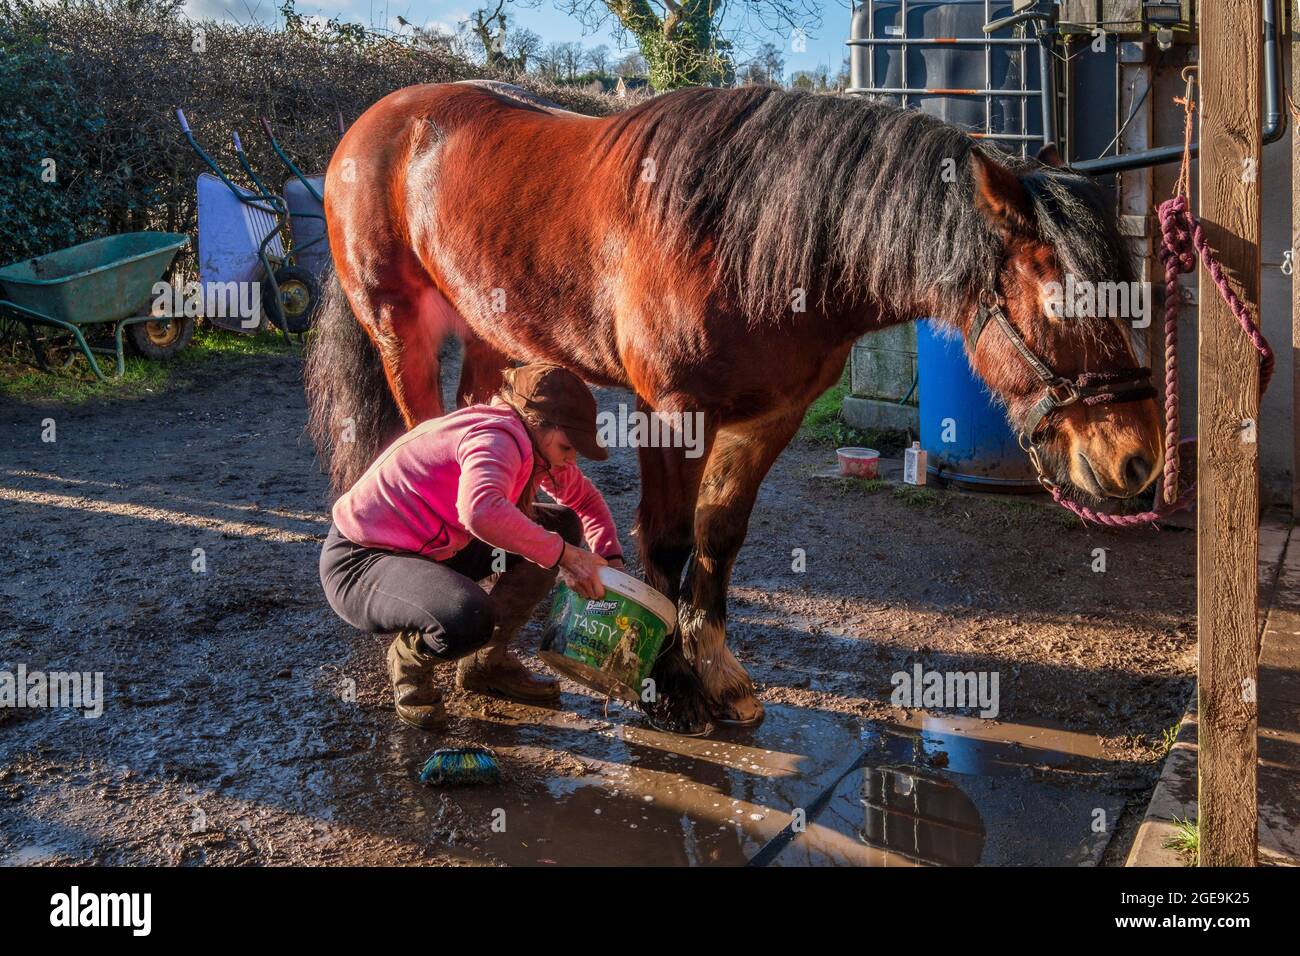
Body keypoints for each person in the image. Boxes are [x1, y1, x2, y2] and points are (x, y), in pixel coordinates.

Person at [319, 362, 622, 730]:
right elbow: (478, 512)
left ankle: (485, 665)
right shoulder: (497, 438)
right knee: (469, 617)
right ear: (536, 425)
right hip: (362, 561)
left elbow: (584, 503)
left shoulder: (536, 445)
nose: (571, 458)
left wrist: (610, 561)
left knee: (561, 524)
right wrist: (567, 557)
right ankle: (408, 664)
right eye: (567, 446)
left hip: (432, 547)